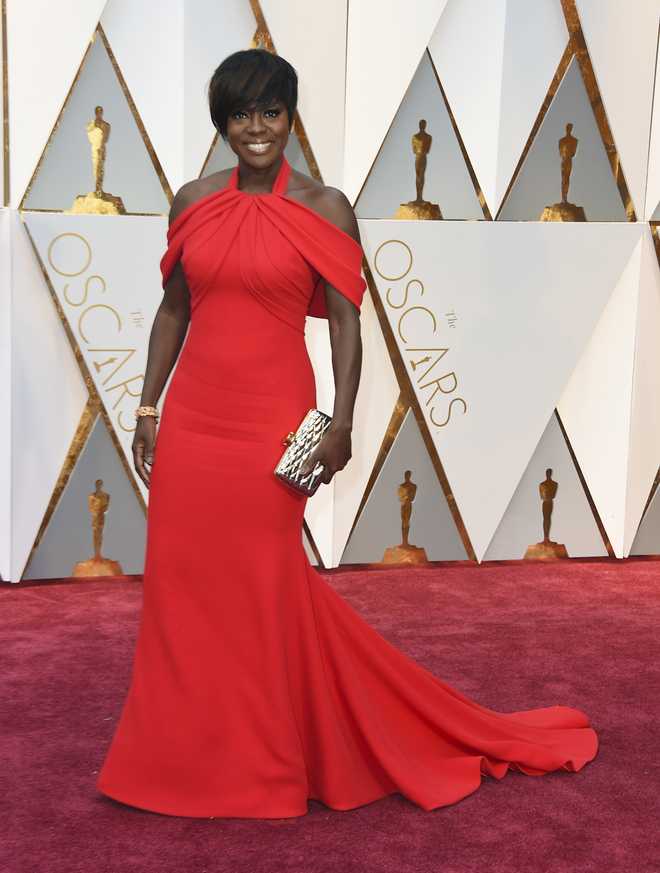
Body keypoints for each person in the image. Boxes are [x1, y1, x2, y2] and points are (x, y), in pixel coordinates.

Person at [96, 48, 598, 819]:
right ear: (221, 122)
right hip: (194, 420)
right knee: (183, 586)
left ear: (291, 118)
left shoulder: (325, 206)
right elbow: (174, 310)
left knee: (263, 582)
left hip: (273, 422)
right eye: (241, 113)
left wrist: (341, 421)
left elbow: (344, 323)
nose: (256, 127)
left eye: (271, 112)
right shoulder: (191, 201)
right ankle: (176, 754)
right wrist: (146, 408)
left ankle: (263, 765)